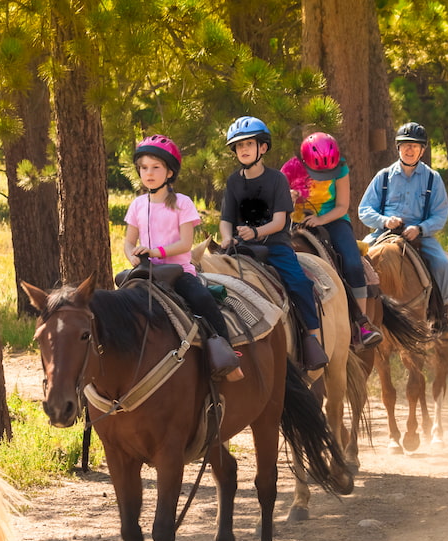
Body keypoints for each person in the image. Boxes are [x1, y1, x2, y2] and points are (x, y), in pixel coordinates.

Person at [123, 135, 243, 381]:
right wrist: (132, 256)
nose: (149, 173)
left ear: (169, 172)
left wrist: (155, 251)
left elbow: (186, 244)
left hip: (178, 272)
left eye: (156, 167)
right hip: (146, 273)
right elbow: (128, 241)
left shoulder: (182, 203)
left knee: (202, 300)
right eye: (144, 167)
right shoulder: (136, 205)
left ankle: (227, 355)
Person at [218, 116, 328, 371]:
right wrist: (226, 237)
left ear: (263, 148)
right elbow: (226, 219)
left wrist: (256, 233)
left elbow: (280, 221)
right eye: (238, 146)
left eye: (249, 144)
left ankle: (312, 337)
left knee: (299, 282)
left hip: (275, 245)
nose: (243, 149)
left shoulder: (277, 179)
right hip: (240, 247)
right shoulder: (233, 181)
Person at [358, 121, 448, 342]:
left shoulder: (433, 178)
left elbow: (440, 214)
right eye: (404, 145)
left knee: (441, 263)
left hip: (419, 236)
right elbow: (364, 210)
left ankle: (444, 316)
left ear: (422, 150)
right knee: (358, 260)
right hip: (383, 233)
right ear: (398, 148)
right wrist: (384, 220)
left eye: (414, 146)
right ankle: (357, 317)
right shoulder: (383, 176)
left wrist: (420, 228)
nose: (409, 150)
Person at [287, 132, 382, 348]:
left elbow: (342, 206)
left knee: (352, 263)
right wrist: (288, 199)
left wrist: (320, 219)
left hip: (332, 219)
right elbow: (277, 206)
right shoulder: (291, 169)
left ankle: (361, 325)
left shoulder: (341, 168)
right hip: (296, 220)